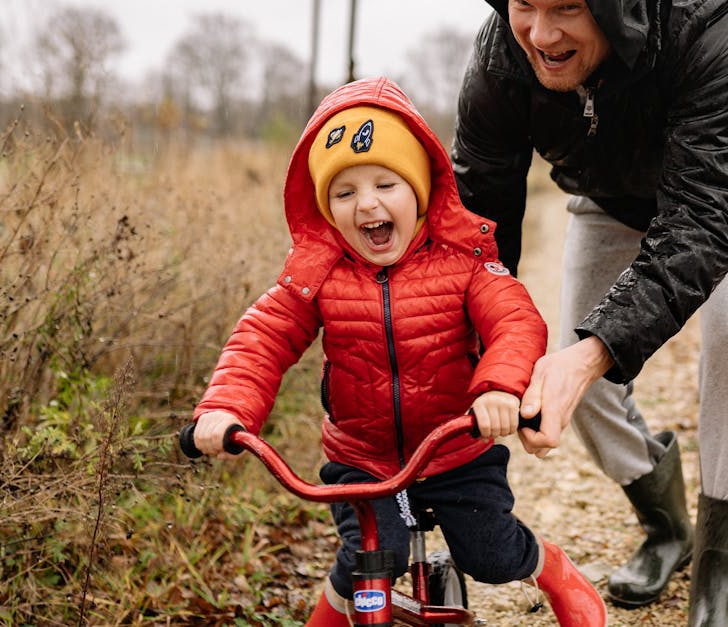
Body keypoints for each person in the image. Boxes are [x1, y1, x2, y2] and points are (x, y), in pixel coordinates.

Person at [189, 77, 606, 627]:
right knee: (366, 560)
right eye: (344, 192)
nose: (367, 204)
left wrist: (499, 386)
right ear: (326, 208)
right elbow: (261, 339)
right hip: (361, 456)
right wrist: (227, 409)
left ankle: (553, 569)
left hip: (456, 448)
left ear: (421, 190)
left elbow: (516, 321)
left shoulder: (464, 261)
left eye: (387, 183)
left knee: (491, 554)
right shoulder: (316, 274)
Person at [451, 1, 728, 624]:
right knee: (577, 380)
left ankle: (718, 576)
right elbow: (481, 224)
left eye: (565, 7)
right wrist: (471, 352)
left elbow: (709, 212)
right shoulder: (501, 59)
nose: (541, 33)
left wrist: (596, 352)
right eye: (524, 5)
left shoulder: (715, 24)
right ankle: (667, 528)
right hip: (609, 195)